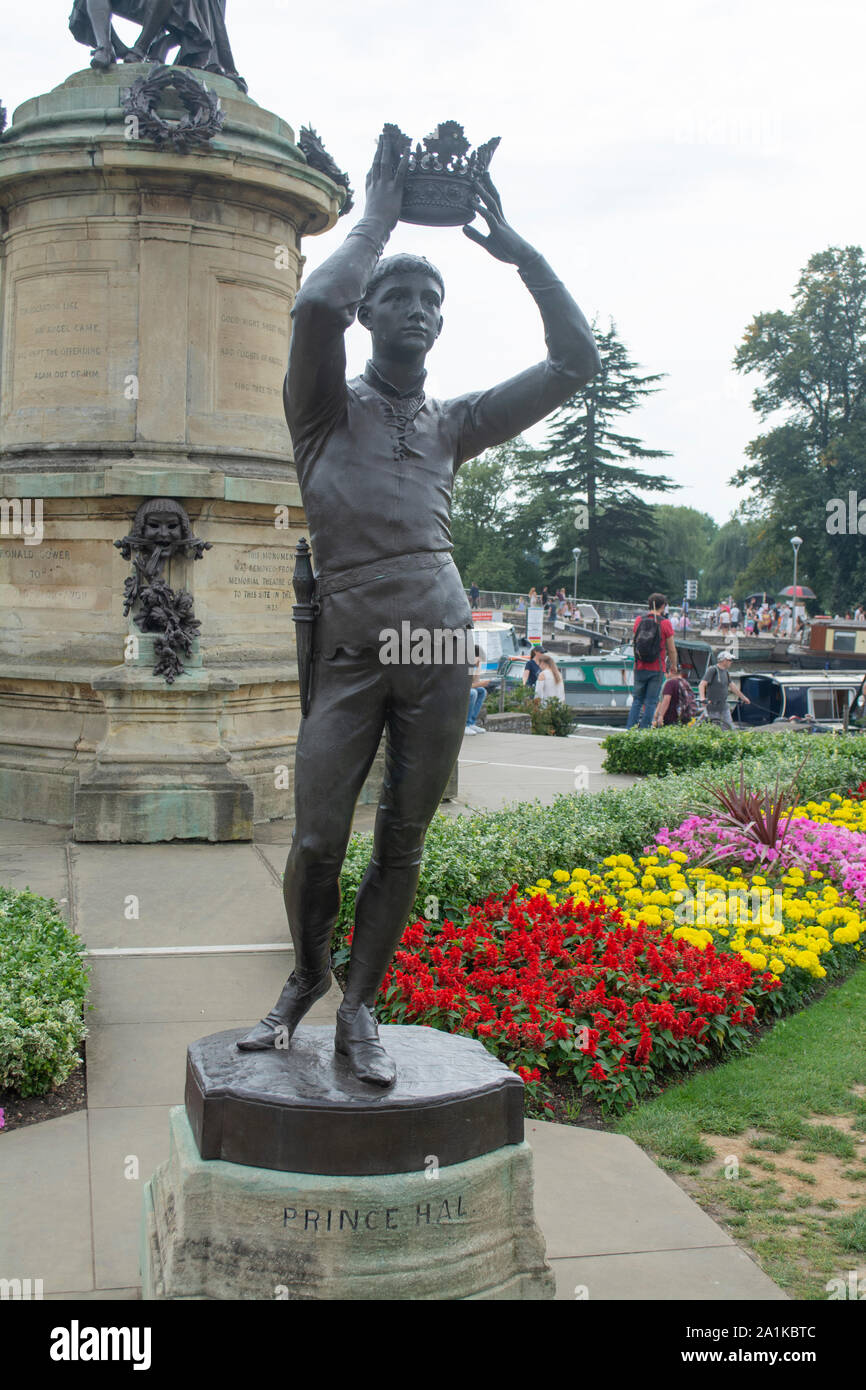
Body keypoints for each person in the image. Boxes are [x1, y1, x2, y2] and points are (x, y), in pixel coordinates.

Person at [235, 128, 600, 1085]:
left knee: (405, 835)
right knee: (318, 837)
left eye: (431, 300)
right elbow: (314, 299)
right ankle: (306, 975)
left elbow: (575, 363)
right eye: (398, 296)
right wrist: (378, 217)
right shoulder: (321, 409)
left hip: (438, 637)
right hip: (353, 644)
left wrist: (524, 256)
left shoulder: (454, 423)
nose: (417, 311)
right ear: (370, 315)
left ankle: (359, 1007)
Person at [626, 592, 677, 729]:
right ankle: (644, 731)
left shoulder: (639, 620)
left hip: (639, 666)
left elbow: (635, 642)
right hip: (656, 668)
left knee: (637, 700)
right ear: (663, 606)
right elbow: (671, 649)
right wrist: (673, 665)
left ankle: (630, 730)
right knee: (651, 701)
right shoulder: (665, 623)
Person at [698, 651, 750, 730]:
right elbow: (702, 684)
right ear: (724, 660)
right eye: (729, 660)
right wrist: (702, 698)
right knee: (715, 728)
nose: (731, 662)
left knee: (729, 727)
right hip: (713, 706)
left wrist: (743, 697)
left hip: (723, 705)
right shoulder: (713, 670)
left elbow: (732, 686)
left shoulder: (726, 672)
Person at [465, 654, 490, 735]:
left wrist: (478, 667)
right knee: (473, 693)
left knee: (482, 691)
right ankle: (466, 725)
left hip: (464, 689)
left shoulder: (470, 667)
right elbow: (463, 687)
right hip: (453, 690)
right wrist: (480, 684)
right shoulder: (461, 666)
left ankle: (471, 723)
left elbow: (475, 682)